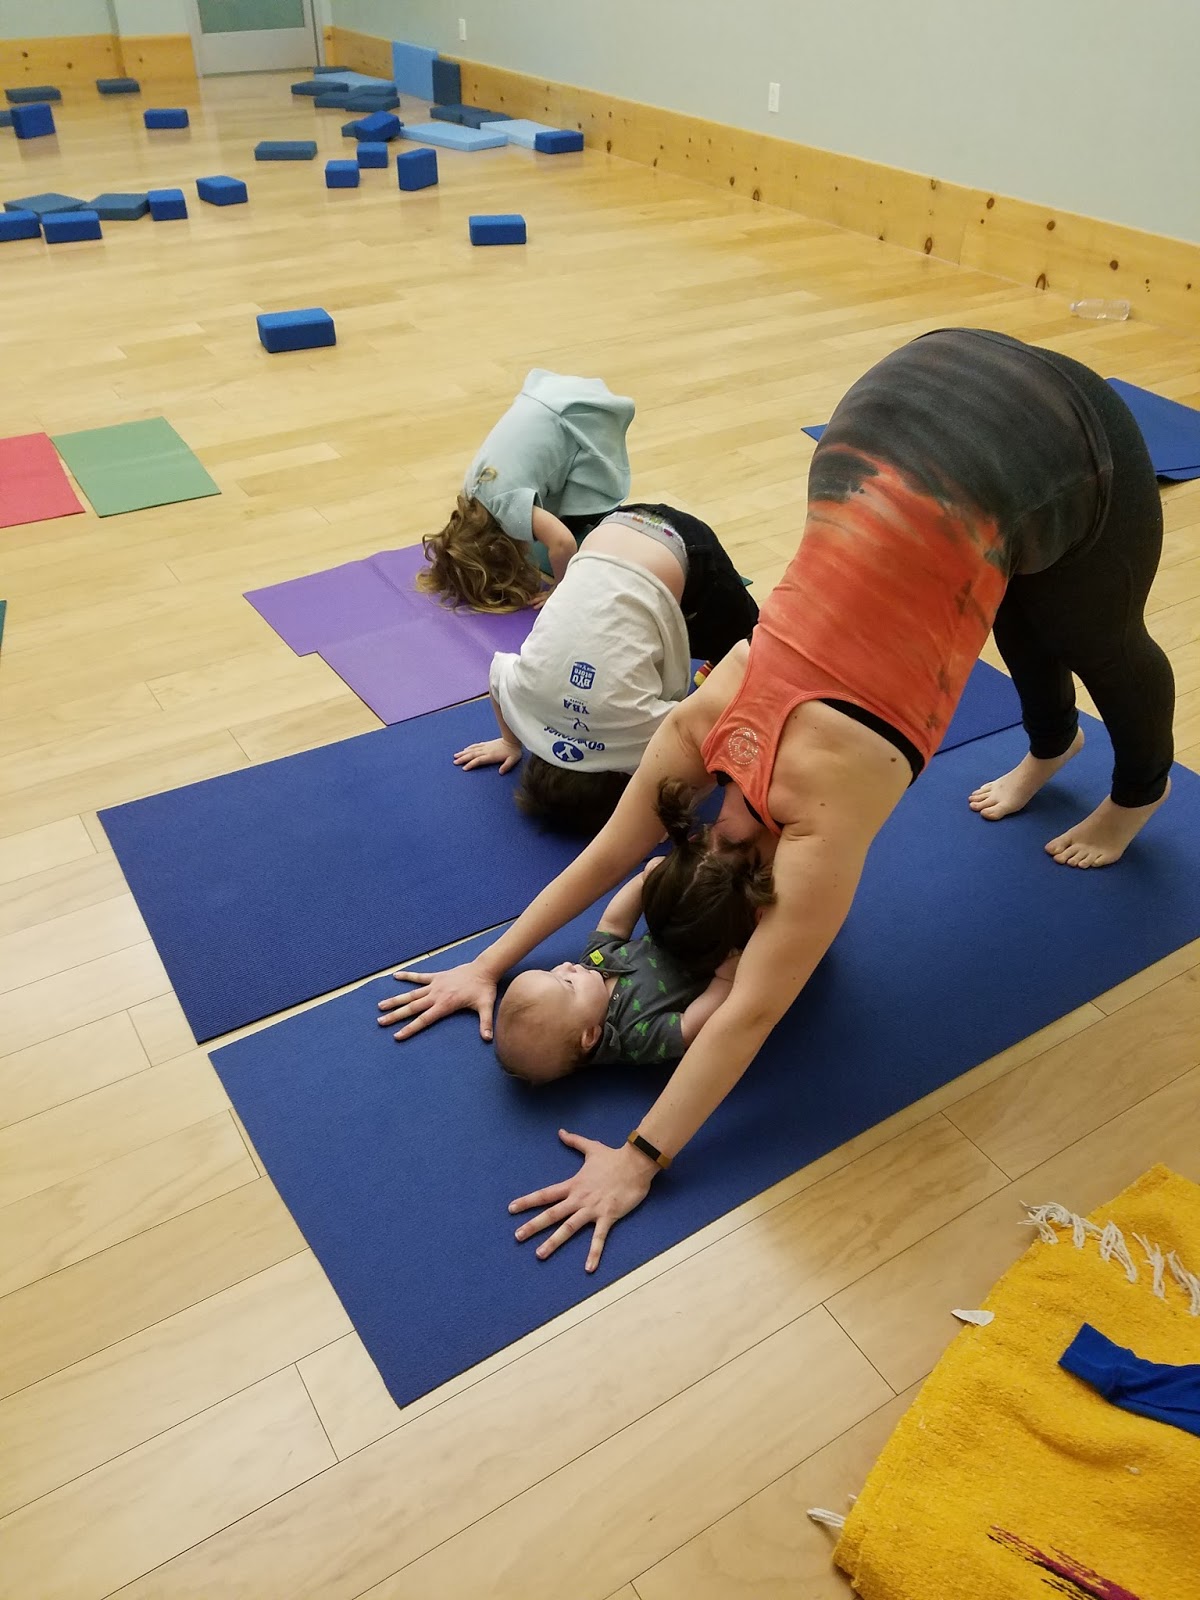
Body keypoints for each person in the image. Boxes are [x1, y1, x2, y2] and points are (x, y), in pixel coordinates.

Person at [380, 328, 1175, 1272]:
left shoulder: (794, 810)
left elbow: (739, 1000)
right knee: (1005, 593)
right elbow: (618, 877)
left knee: (1097, 634)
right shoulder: (711, 729)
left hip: (1053, 437)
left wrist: (636, 1157)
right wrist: (498, 976)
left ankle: (1138, 795)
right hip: (897, 408)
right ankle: (1054, 745)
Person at [452, 503, 759, 834]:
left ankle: (725, 654)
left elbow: (708, 742)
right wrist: (511, 741)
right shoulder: (528, 705)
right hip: (607, 532)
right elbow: (497, 672)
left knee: (755, 648)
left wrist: (671, 814)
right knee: (670, 631)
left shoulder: (644, 738)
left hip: (680, 545)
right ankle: (718, 651)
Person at [495, 786, 773, 1082]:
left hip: (683, 920)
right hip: (715, 951)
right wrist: (725, 980)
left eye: (552, 970)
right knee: (755, 901)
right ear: (590, 1036)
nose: (567, 966)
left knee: (710, 873)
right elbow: (689, 1027)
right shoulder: (634, 1036)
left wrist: (644, 882)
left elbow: (613, 924)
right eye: (566, 983)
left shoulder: (594, 965)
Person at [419, 370, 636, 611]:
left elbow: (563, 544)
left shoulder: (507, 507)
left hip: (577, 417)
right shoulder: (471, 491)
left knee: (588, 518)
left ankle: (614, 529)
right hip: (547, 398)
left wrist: (560, 589)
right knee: (550, 509)